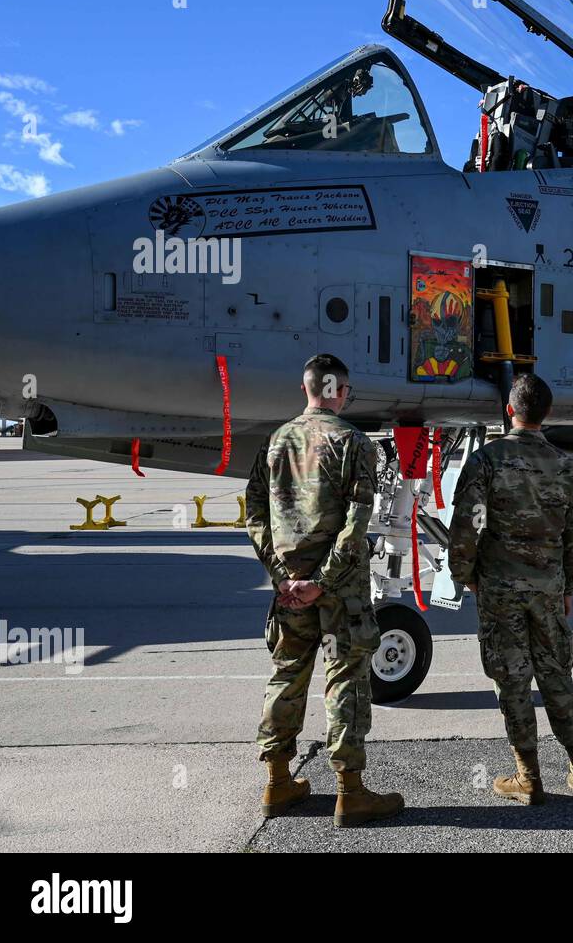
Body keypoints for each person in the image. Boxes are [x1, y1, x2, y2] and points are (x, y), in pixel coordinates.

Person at [246, 353, 403, 828]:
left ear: (307, 389)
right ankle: (349, 792)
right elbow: (356, 524)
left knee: (287, 674)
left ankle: (277, 782)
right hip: (338, 593)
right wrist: (322, 582)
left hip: (288, 588)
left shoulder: (275, 442)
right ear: (341, 391)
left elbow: (254, 513)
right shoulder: (354, 443)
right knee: (346, 682)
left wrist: (282, 576)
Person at [448, 373, 573, 805]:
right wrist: (570, 585)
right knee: (556, 675)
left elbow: (466, 527)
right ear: (547, 414)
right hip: (548, 587)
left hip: (500, 588)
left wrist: (466, 575)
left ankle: (528, 776)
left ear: (510, 410)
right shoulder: (566, 466)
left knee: (512, 679)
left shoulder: (487, 461)